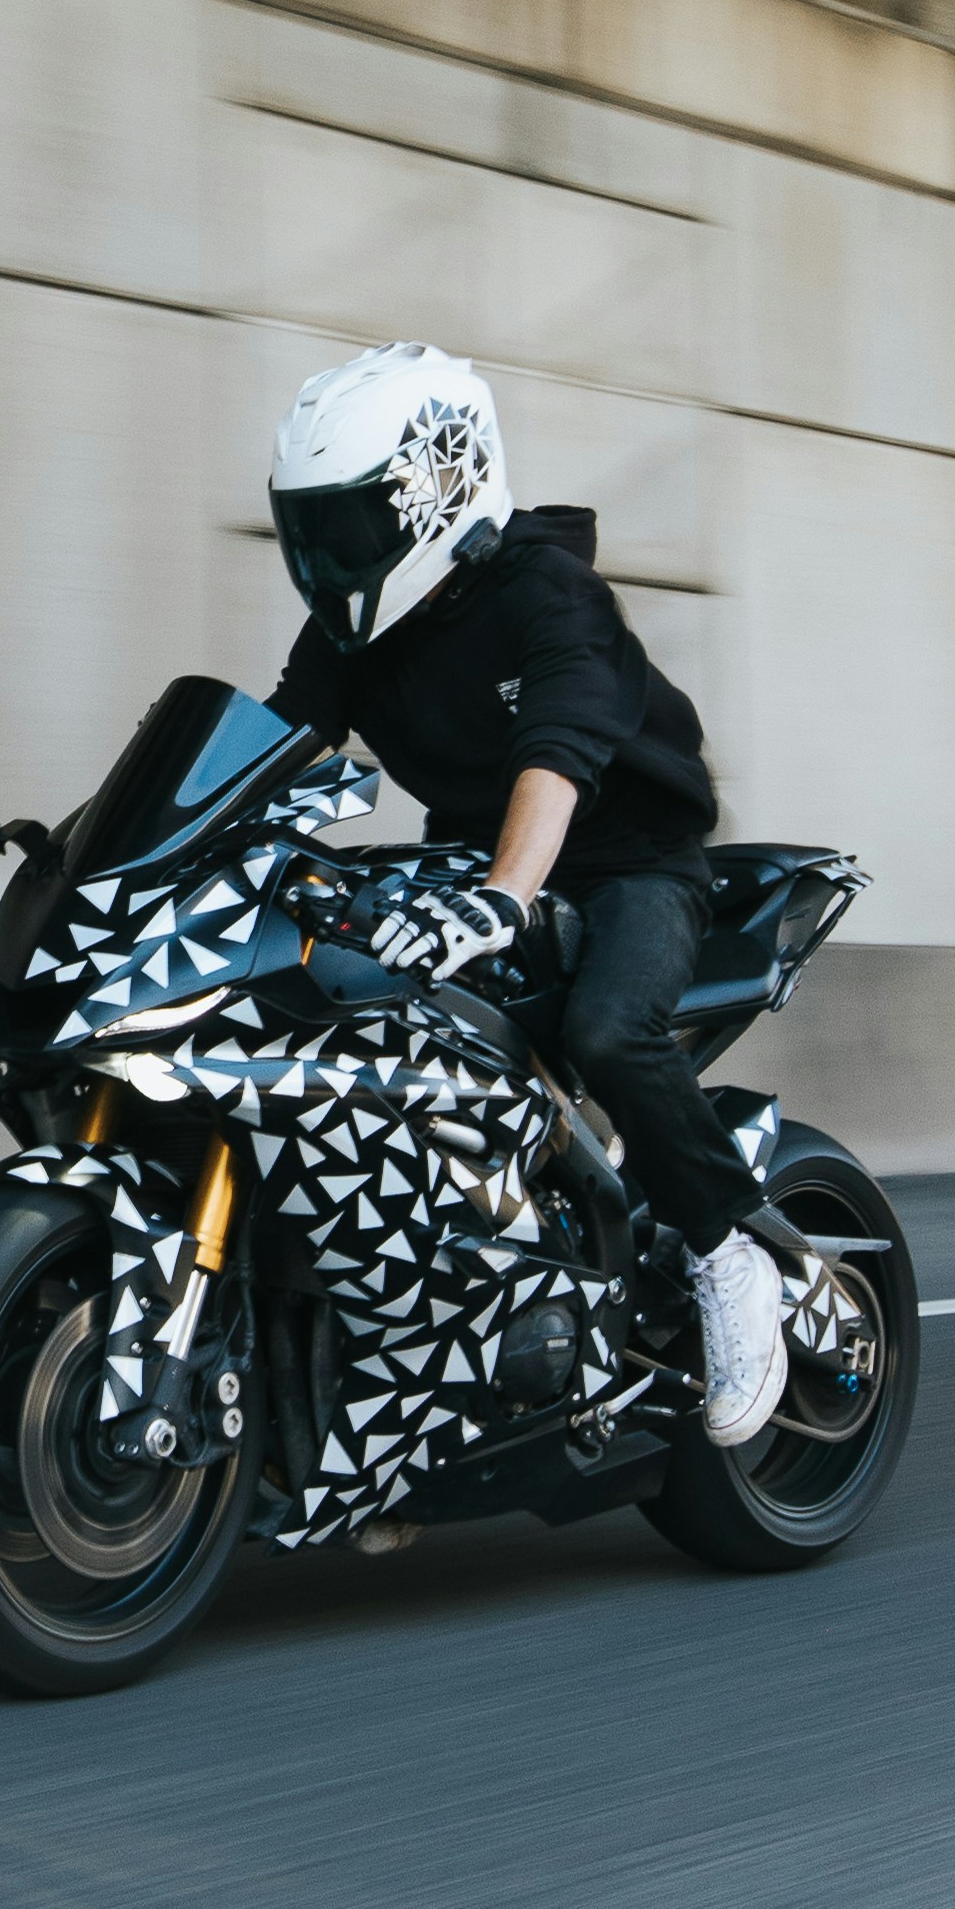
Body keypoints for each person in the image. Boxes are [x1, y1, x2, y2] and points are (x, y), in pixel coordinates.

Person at [264, 341, 788, 1443]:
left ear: (436, 485)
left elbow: (552, 755)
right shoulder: (353, 636)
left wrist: (502, 894)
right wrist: (113, 843)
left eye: (348, 525)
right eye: (308, 529)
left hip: (628, 864)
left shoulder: (551, 593)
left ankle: (724, 1250)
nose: (327, 555)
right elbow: (268, 750)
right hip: (468, 868)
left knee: (607, 1027)